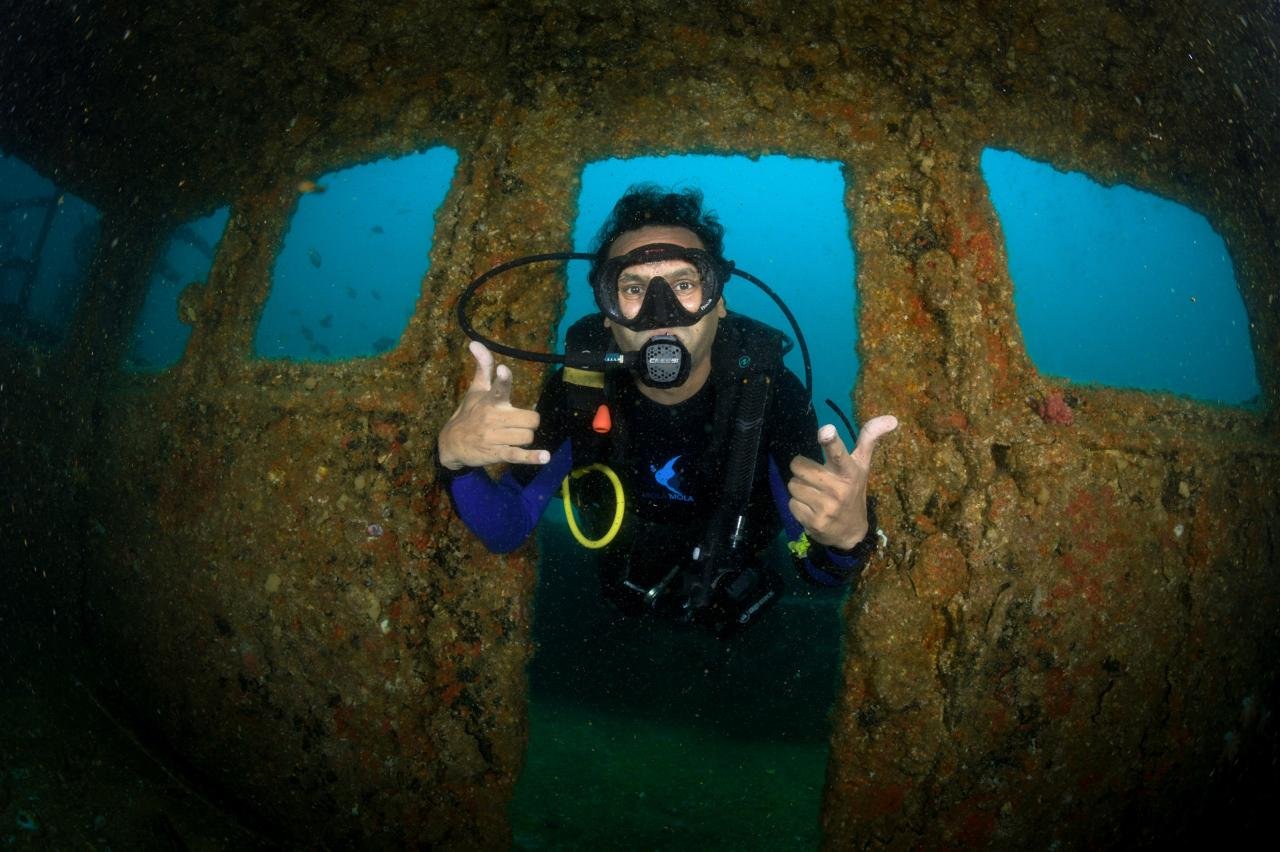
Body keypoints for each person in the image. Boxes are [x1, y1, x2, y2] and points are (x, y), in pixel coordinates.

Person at [437, 186, 897, 635]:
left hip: (732, 594)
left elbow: (817, 572)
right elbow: (507, 528)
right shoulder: (581, 394)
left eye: (684, 284)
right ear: (607, 313)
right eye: (633, 287)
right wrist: (454, 459)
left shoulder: (767, 395)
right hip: (620, 603)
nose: (662, 313)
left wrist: (849, 536)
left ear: (718, 304)